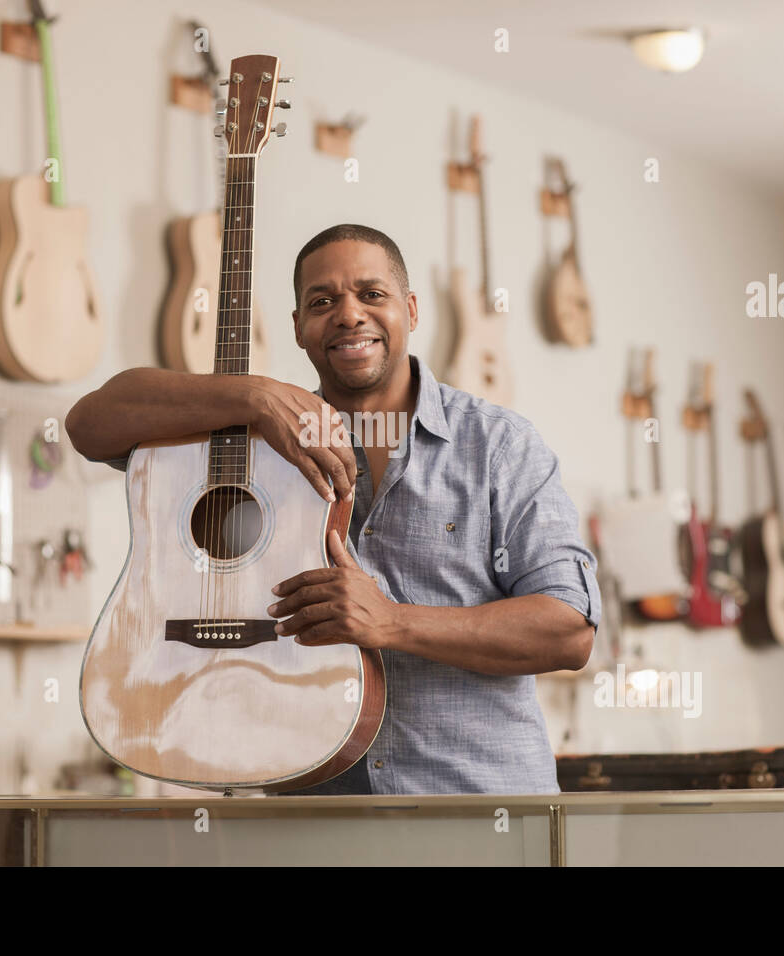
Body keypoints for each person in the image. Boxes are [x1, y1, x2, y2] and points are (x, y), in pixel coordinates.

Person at [65, 223, 599, 794]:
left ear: (411, 310)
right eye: (323, 301)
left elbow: (569, 631)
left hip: (479, 813)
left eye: (372, 294)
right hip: (311, 817)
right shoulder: (258, 444)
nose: (348, 315)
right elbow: (90, 424)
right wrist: (249, 394)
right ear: (297, 328)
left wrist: (393, 621)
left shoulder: (500, 446)